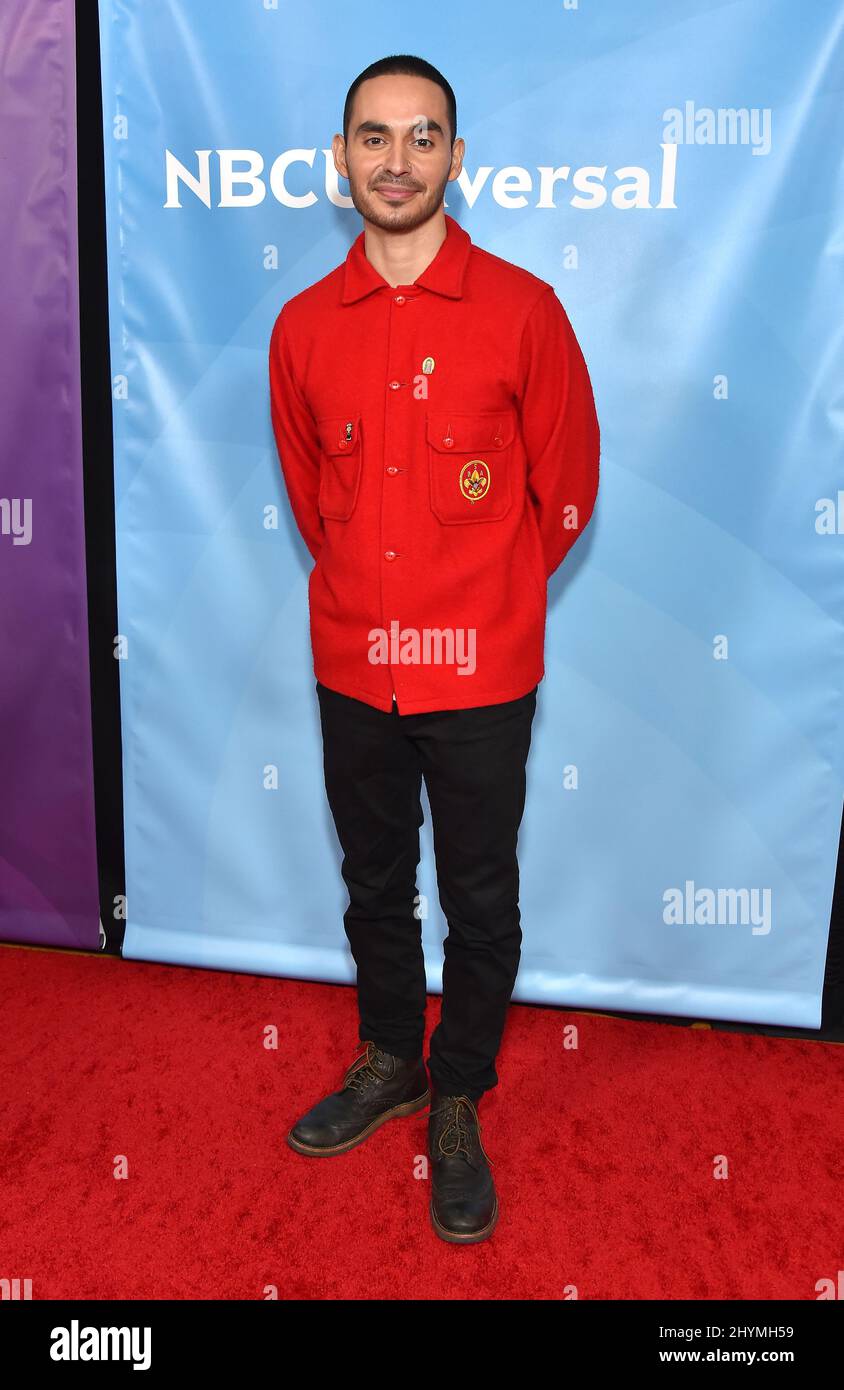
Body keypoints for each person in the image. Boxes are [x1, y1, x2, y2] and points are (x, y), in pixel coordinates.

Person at [268, 53, 600, 1244]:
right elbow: (317, 507)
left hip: (479, 672)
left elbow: (563, 496)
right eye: (373, 137)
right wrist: (378, 592)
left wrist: (483, 602)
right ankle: (389, 1059)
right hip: (355, 661)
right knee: (371, 884)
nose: (395, 161)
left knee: (478, 895)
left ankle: (457, 1089)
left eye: (421, 138)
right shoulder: (301, 327)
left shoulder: (522, 312)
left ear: (456, 158)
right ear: (341, 159)